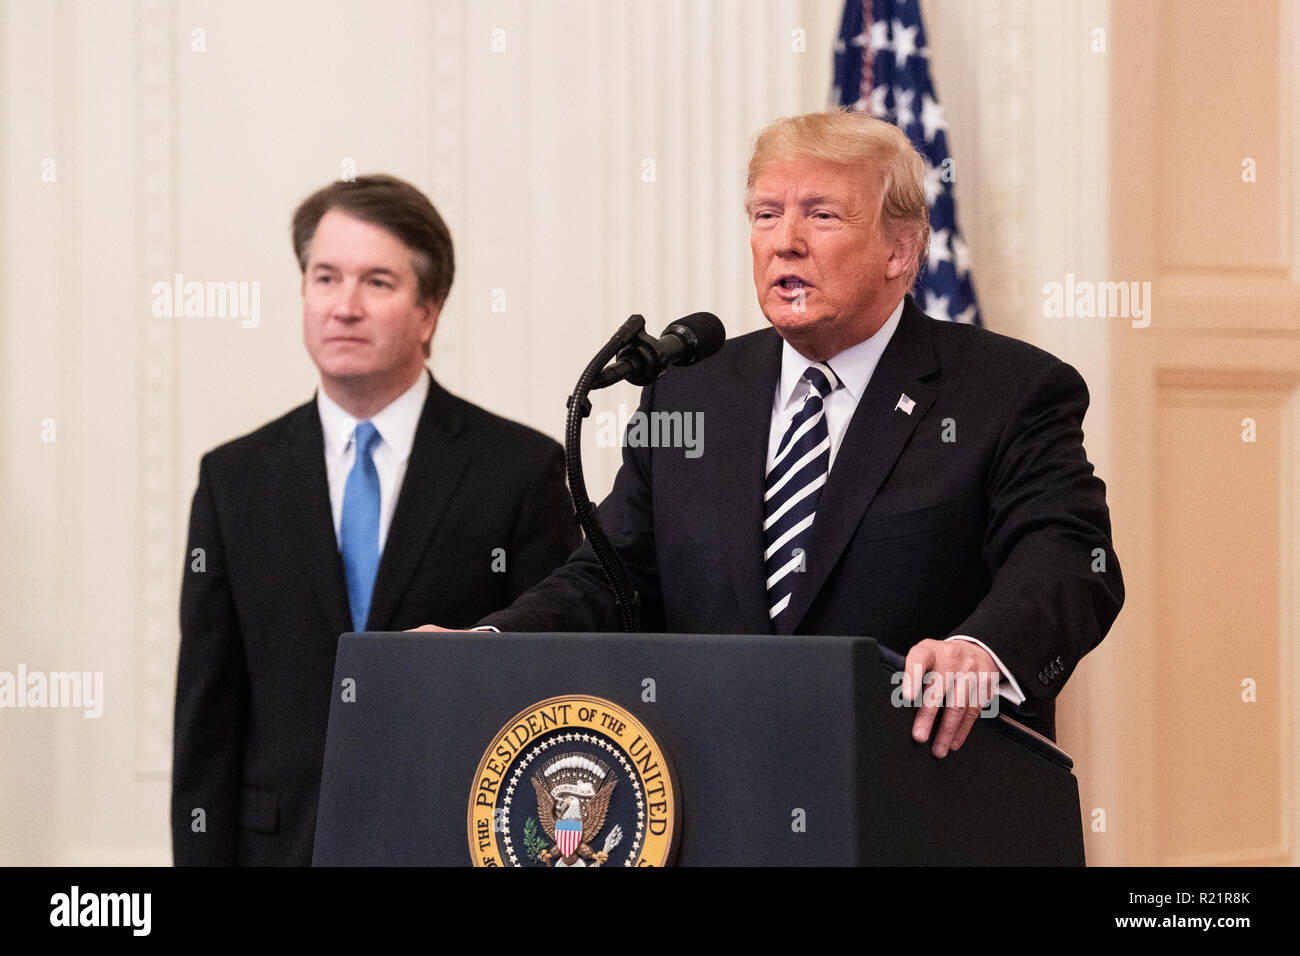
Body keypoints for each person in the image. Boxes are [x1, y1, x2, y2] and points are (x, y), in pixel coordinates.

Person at [424, 110, 1124, 754]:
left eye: (822, 215)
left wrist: (981, 650)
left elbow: (1068, 556)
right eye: (766, 214)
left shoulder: (1008, 391)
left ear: (901, 251)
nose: (784, 241)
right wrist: (489, 642)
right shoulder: (689, 390)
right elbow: (614, 578)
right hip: (721, 792)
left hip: (918, 790)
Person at [172, 174, 581, 865]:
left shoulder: (519, 469)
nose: (344, 307)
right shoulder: (234, 479)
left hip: (456, 839)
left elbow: (549, 689)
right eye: (325, 278)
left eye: (378, 283)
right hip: (281, 848)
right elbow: (208, 716)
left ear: (429, 311)